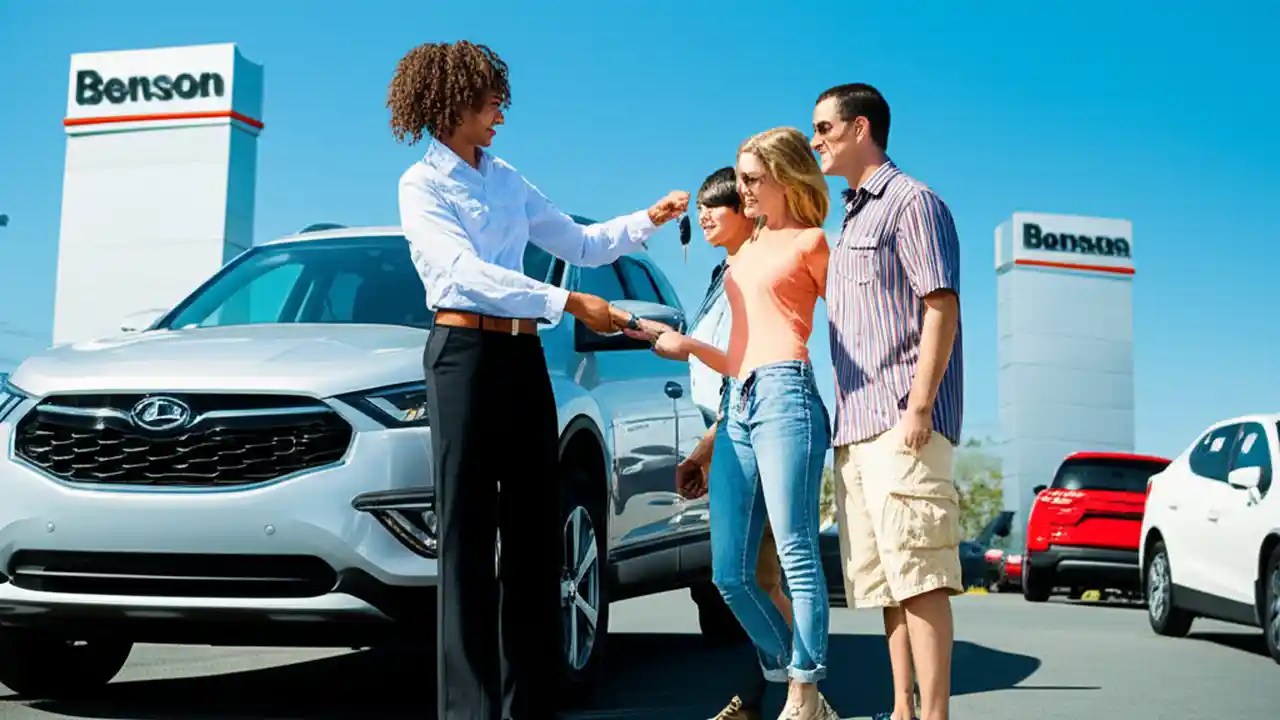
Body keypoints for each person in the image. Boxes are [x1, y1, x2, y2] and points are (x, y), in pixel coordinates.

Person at [388, 40, 688, 720]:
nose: (500, 111)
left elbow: (579, 244)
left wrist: (648, 219)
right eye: (491, 99)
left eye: (501, 99)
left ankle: (529, 708)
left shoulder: (506, 178)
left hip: (524, 363)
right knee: (466, 539)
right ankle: (468, 711)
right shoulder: (421, 184)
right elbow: (463, 272)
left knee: (533, 535)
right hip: (462, 357)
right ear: (450, 101)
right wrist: (567, 303)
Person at [632, 128, 837, 720]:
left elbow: (848, 332)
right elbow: (735, 355)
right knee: (729, 575)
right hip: (739, 399)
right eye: (741, 178)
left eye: (750, 178)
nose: (742, 188)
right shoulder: (745, 256)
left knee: (796, 551)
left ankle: (803, 691)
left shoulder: (813, 243)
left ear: (783, 177)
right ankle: (792, 677)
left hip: (786, 394)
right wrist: (687, 345)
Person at [810, 82, 964, 720]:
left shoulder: (912, 203)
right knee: (884, 580)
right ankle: (901, 709)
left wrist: (920, 407)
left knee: (921, 574)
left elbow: (940, 305)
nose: (815, 140)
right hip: (857, 427)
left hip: (904, 424)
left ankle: (934, 716)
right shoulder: (848, 220)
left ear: (861, 128)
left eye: (824, 128)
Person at [677, 167, 792, 720]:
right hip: (727, 430)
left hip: (754, 430)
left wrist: (711, 444)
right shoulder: (723, 273)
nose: (704, 217)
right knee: (749, 576)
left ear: (747, 211)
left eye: (715, 206)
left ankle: (789, 689)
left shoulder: (753, 274)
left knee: (761, 576)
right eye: (700, 206)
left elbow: (746, 370)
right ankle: (771, 690)